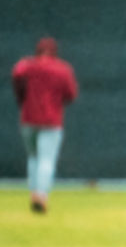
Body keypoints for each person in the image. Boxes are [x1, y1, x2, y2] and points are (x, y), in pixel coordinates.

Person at [12, 37, 79, 214]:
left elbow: (17, 74)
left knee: (33, 157)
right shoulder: (62, 69)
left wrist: (22, 97)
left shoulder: (27, 66)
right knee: (46, 159)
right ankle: (41, 196)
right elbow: (71, 94)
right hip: (52, 120)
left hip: (28, 117)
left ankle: (34, 193)